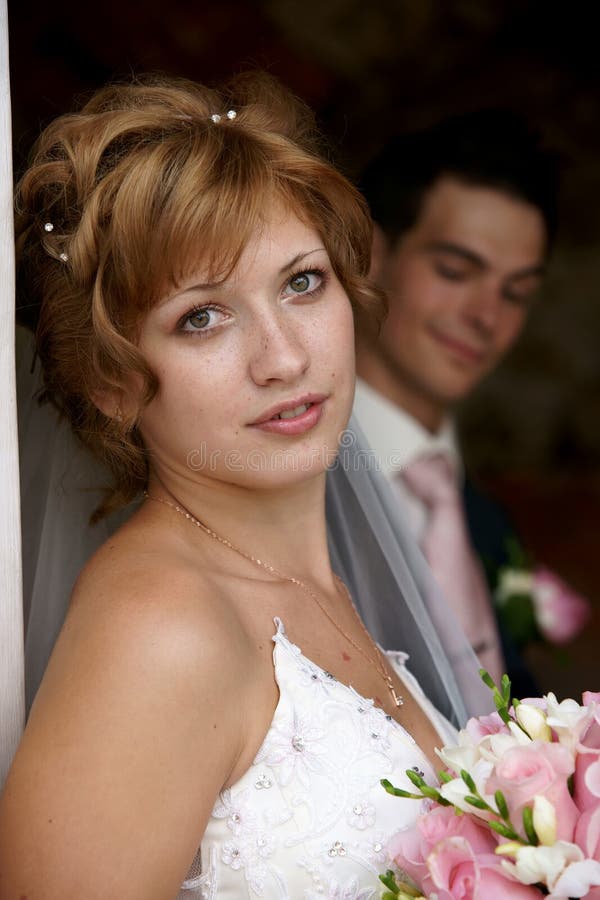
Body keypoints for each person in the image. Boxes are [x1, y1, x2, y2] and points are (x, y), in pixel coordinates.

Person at [0, 73, 486, 899]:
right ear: (112, 383)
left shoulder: (319, 582)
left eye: (302, 282)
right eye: (202, 317)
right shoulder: (158, 629)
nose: (285, 359)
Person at [354, 111, 559, 694]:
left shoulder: (489, 527)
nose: (486, 317)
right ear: (370, 251)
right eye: (455, 270)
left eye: (516, 293)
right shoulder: (274, 479)